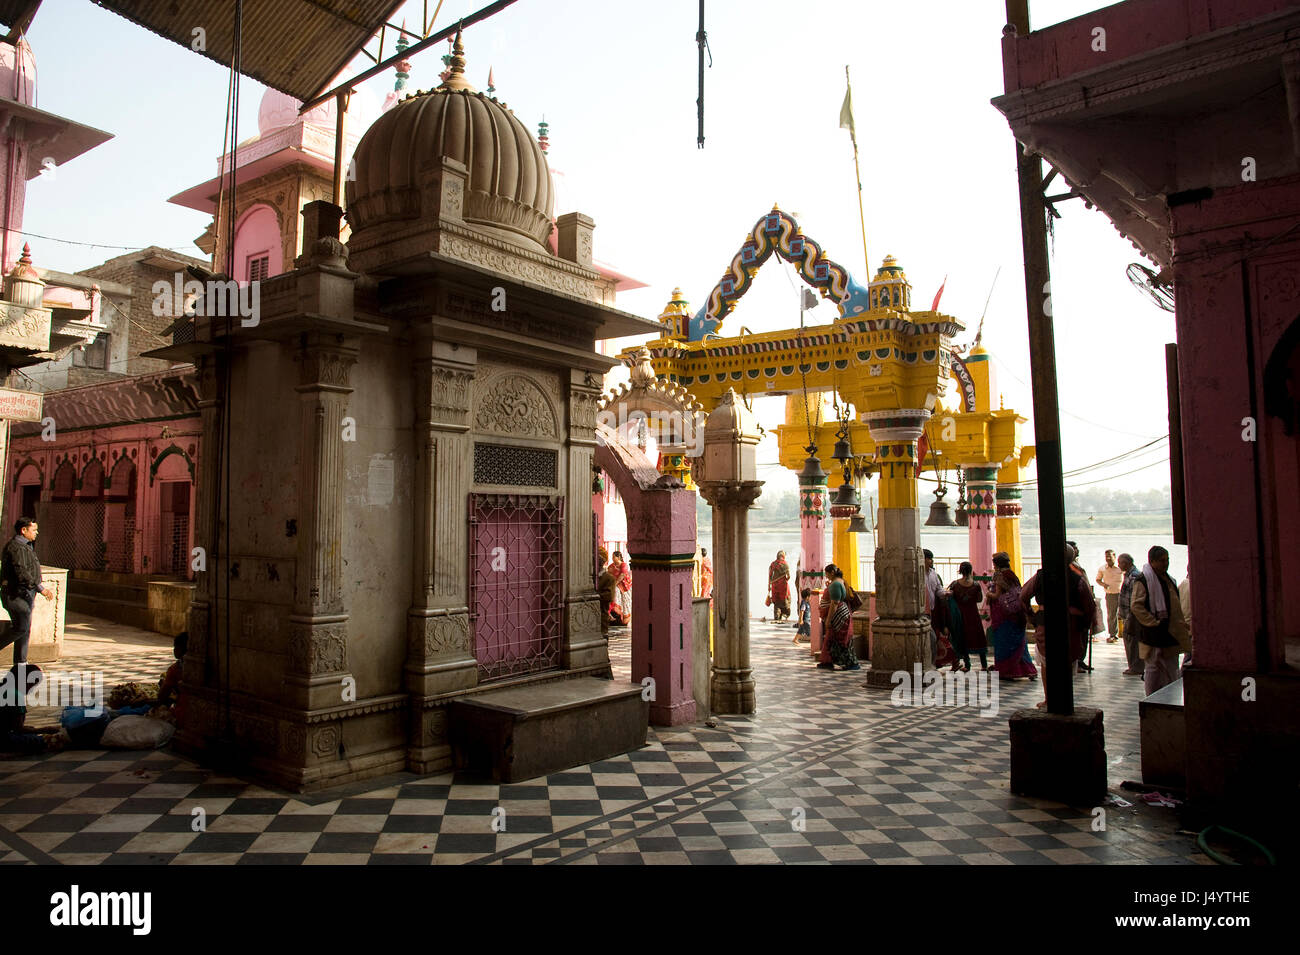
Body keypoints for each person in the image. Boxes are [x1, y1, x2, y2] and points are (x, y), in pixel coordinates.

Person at [1021, 544, 1095, 707]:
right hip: (1071, 626)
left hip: (1045, 625)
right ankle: (1064, 698)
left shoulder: (1040, 576)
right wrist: (1084, 625)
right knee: (1067, 661)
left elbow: (1023, 596)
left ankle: (1049, 698)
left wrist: (1033, 617)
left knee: (1046, 662)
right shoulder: (1077, 578)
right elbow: (1089, 605)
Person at [1130, 545, 1188, 696]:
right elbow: (1136, 606)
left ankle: (1169, 698)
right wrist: (1153, 623)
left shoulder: (1168, 579)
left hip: (1169, 633)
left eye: (1167, 560)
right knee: (1153, 669)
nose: (1166, 563)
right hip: (1153, 635)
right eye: (1162, 561)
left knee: (1171, 669)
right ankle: (1152, 699)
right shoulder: (1143, 580)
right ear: (1152, 561)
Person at [1, 518, 55, 668]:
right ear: (23, 530)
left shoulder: (25, 546)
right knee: (21, 627)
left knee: (24, 628)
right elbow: (22, 571)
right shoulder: (17, 547)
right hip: (16, 594)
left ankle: (21, 662)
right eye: (33, 530)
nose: (36, 533)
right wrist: (40, 588)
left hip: (25, 593)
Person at [987, 553, 1037, 679]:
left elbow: (997, 595)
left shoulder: (999, 576)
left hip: (1004, 614)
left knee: (1004, 642)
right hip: (1016, 613)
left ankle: (1007, 670)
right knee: (1020, 642)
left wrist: (988, 594)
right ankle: (1026, 669)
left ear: (996, 564)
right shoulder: (1012, 575)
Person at [946, 561, 989, 671]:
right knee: (978, 637)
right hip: (973, 614)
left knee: (963, 637)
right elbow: (979, 599)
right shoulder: (975, 585)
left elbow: (948, 596)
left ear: (960, 571)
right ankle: (984, 665)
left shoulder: (955, 584)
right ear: (970, 570)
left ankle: (967, 665)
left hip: (960, 615)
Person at [816, 579, 859, 671]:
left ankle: (850, 663)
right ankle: (827, 661)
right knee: (831, 639)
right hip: (839, 615)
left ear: (832, 573)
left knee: (840, 640)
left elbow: (834, 603)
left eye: (827, 573)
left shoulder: (836, 584)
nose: (826, 576)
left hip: (839, 616)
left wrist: (829, 619)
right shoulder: (837, 583)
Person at [922, 550, 952, 668]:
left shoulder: (933, 574)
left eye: (931, 559)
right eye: (929, 558)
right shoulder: (917, 574)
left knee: (933, 639)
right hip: (922, 612)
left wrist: (945, 593)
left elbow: (938, 590)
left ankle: (932, 663)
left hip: (932, 611)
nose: (931, 561)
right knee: (932, 638)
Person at [1117, 553, 1144, 675]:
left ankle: (1136, 667)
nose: (1118, 565)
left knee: (1133, 642)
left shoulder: (1134, 576)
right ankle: (1134, 665)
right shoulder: (1129, 574)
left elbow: (1134, 598)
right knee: (1130, 642)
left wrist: (1130, 616)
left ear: (1127, 563)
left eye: (1120, 562)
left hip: (1132, 616)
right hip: (1127, 615)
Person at [1095, 549, 1124, 644]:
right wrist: (1104, 585)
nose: (1108, 558)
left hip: (1122, 593)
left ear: (1114, 556)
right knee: (1112, 615)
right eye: (1106, 557)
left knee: (1125, 613)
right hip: (1110, 594)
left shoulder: (1120, 568)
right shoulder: (1103, 568)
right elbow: (1098, 579)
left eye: (1110, 556)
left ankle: (1125, 633)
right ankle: (1113, 634)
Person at [608, 551, 632, 626]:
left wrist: (615, 584)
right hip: (615, 586)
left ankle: (624, 620)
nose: (612, 558)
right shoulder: (611, 566)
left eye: (613, 557)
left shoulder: (623, 565)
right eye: (612, 557)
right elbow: (609, 575)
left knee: (625, 603)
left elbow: (622, 575)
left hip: (624, 587)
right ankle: (616, 616)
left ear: (618, 557)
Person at [597, 548, 617, 633]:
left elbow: (609, 596)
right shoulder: (589, 577)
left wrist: (594, 596)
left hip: (601, 615)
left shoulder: (609, 578)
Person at [768, 551, 791, 622]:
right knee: (785, 600)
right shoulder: (785, 564)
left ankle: (777, 616)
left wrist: (769, 586)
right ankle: (784, 615)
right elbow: (788, 576)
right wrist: (785, 579)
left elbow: (770, 576)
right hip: (783, 586)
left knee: (776, 602)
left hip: (775, 586)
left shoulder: (773, 564)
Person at [1178, 563, 1193, 670]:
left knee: (1188, 654)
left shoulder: (1183, 583)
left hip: (1184, 624)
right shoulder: (1194, 584)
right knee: (1190, 656)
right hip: (1191, 625)